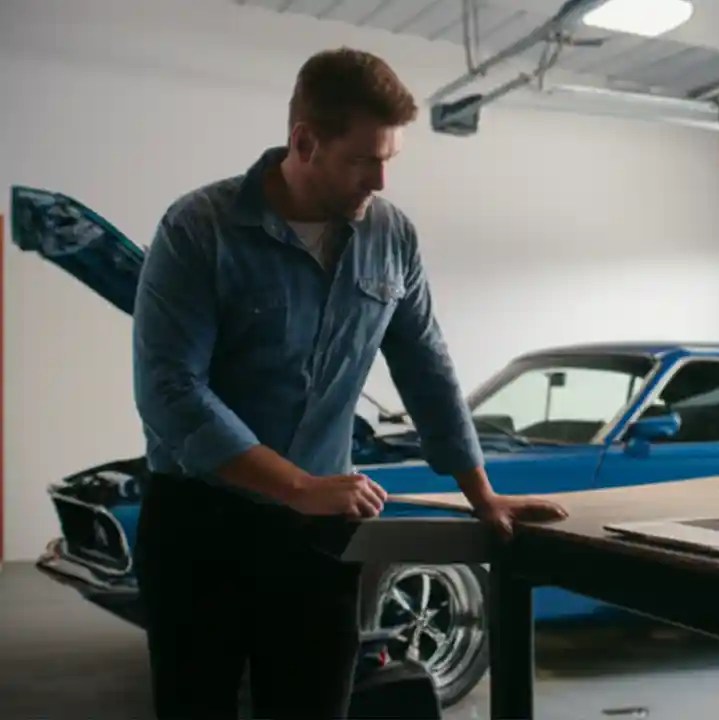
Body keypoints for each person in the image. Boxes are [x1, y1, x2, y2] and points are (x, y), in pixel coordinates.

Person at [130, 47, 567, 719]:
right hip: (200, 527)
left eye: (390, 158)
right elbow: (169, 391)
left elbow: (426, 365)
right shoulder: (198, 229)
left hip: (319, 538)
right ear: (304, 142)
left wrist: (483, 494)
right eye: (366, 159)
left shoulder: (390, 236)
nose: (382, 181)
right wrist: (297, 486)